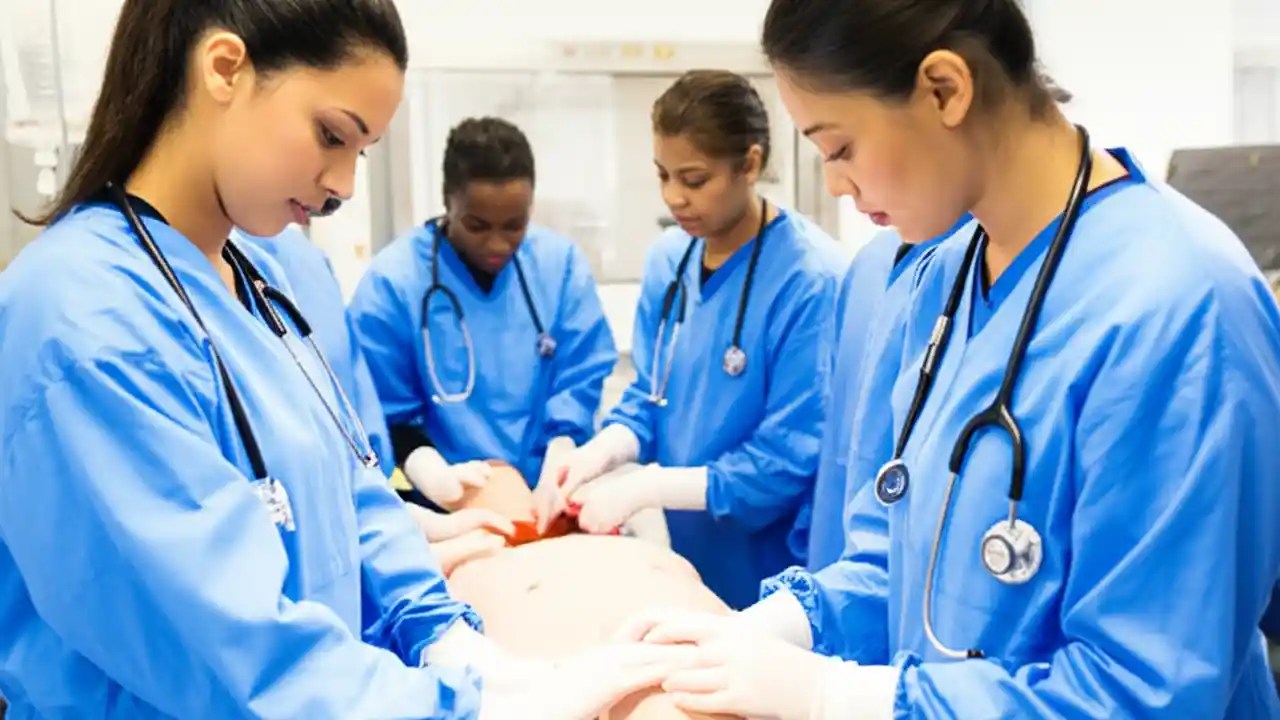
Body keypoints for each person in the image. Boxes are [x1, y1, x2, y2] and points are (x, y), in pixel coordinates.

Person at [0, 2, 680, 717]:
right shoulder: (83, 321)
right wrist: (468, 709)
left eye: (362, 153)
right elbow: (231, 651)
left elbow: (347, 489)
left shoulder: (256, 287)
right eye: (332, 136)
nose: (345, 185)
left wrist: (447, 639)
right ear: (224, 69)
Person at [619, 1, 1280, 718]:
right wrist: (766, 630)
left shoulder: (1177, 302)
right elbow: (898, 557)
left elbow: (1147, 689)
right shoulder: (944, 278)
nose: (835, 184)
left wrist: (834, 694)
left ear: (944, 90)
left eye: (839, 148)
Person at [539, 69, 845, 609]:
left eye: (694, 179)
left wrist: (646, 489)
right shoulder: (670, 260)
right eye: (662, 175)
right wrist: (601, 452)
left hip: (775, 571)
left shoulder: (807, 278)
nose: (674, 197)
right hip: (691, 562)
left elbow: (787, 459)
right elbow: (650, 398)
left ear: (750, 165)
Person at [348, 116, 618, 512]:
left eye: (515, 225)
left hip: (549, 497)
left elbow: (581, 376)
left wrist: (562, 452)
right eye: (476, 225)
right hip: (450, 502)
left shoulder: (558, 267)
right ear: (447, 201)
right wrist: (431, 472)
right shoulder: (394, 282)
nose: (497, 243)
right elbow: (379, 408)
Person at [235, 226, 517, 573]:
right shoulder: (167, 299)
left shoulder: (300, 263)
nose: (343, 188)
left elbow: (353, 460)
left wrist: (416, 523)